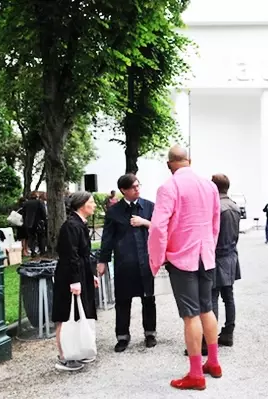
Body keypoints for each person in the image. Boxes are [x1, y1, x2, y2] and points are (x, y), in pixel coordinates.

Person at [148, 145, 222, 391]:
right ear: (189, 161)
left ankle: (195, 373)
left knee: (190, 315)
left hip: (183, 256)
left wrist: (156, 259)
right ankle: (213, 362)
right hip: (205, 254)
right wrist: (208, 246)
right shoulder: (210, 186)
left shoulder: (169, 187)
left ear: (170, 164)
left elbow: (158, 227)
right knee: (207, 309)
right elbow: (215, 222)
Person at [97, 174, 156, 353]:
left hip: (145, 261)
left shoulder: (149, 206)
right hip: (124, 262)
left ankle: (150, 333)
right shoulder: (114, 212)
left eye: (138, 186)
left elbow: (161, 229)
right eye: (133, 187)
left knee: (148, 298)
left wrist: (145, 222)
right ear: (123, 190)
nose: (137, 189)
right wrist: (103, 260)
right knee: (123, 300)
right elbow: (107, 238)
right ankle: (122, 336)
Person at [51, 191, 98, 371]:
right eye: (91, 202)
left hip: (78, 273)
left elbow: (83, 255)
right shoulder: (71, 226)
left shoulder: (79, 224)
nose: (94, 205)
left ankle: (76, 350)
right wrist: (75, 280)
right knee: (65, 314)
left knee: (78, 312)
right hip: (69, 275)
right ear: (82, 205)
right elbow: (71, 255)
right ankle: (64, 356)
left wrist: (90, 274)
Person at [211, 174, 241, 347]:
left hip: (217, 256)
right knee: (228, 296)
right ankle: (228, 332)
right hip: (231, 254)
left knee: (212, 296)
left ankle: (211, 335)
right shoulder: (234, 206)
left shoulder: (216, 207)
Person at [22, 192, 47, 257]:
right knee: (41, 237)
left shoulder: (26, 203)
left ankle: (33, 251)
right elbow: (43, 212)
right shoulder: (39, 202)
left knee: (31, 237)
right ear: (36, 196)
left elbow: (24, 214)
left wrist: (25, 222)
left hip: (29, 223)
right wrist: (45, 220)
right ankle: (42, 251)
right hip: (38, 222)